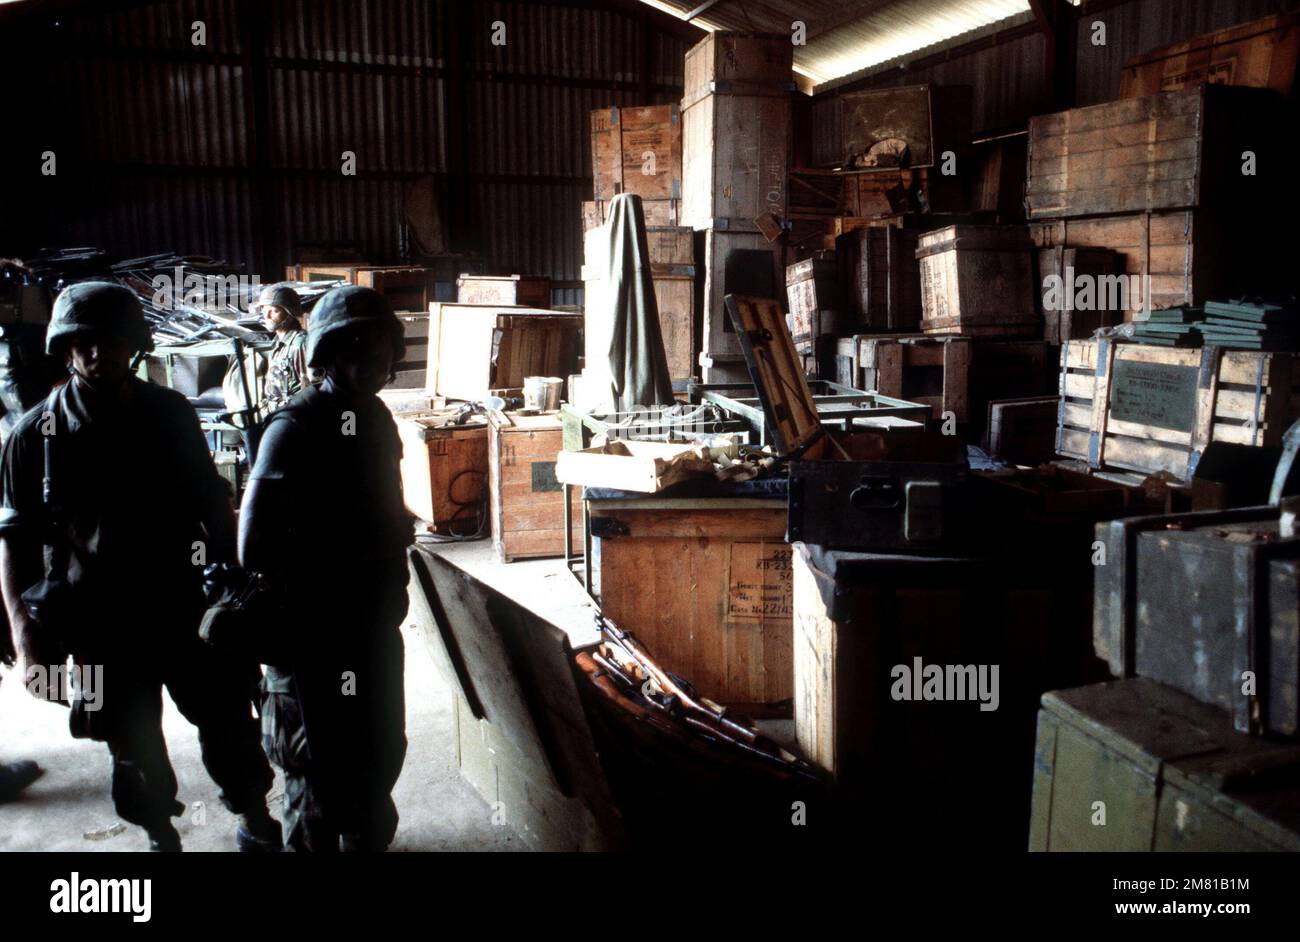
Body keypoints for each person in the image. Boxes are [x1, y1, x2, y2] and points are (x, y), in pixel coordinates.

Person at [0, 281, 279, 851]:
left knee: (228, 723)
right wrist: (25, 635)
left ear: (135, 344)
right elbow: (14, 542)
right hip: (99, 622)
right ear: (65, 346)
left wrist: (234, 586)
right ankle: (159, 834)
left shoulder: (169, 413)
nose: (100, 352)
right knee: (131, 747)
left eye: (114, 339)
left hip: (185, 605)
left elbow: (211, 501)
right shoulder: (34, 434)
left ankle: (254, 817)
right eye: (85, 341)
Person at [239, 285, 412, 852]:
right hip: (313, 638)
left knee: (378, 756)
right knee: (313, 778)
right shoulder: (295, 427)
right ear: (331, 354)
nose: (375, 358)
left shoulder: (376, 417)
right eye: (358, 346)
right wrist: (334, 553)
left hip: (370, 628)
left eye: (383, 344)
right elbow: (252, 547)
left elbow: (386, 503)